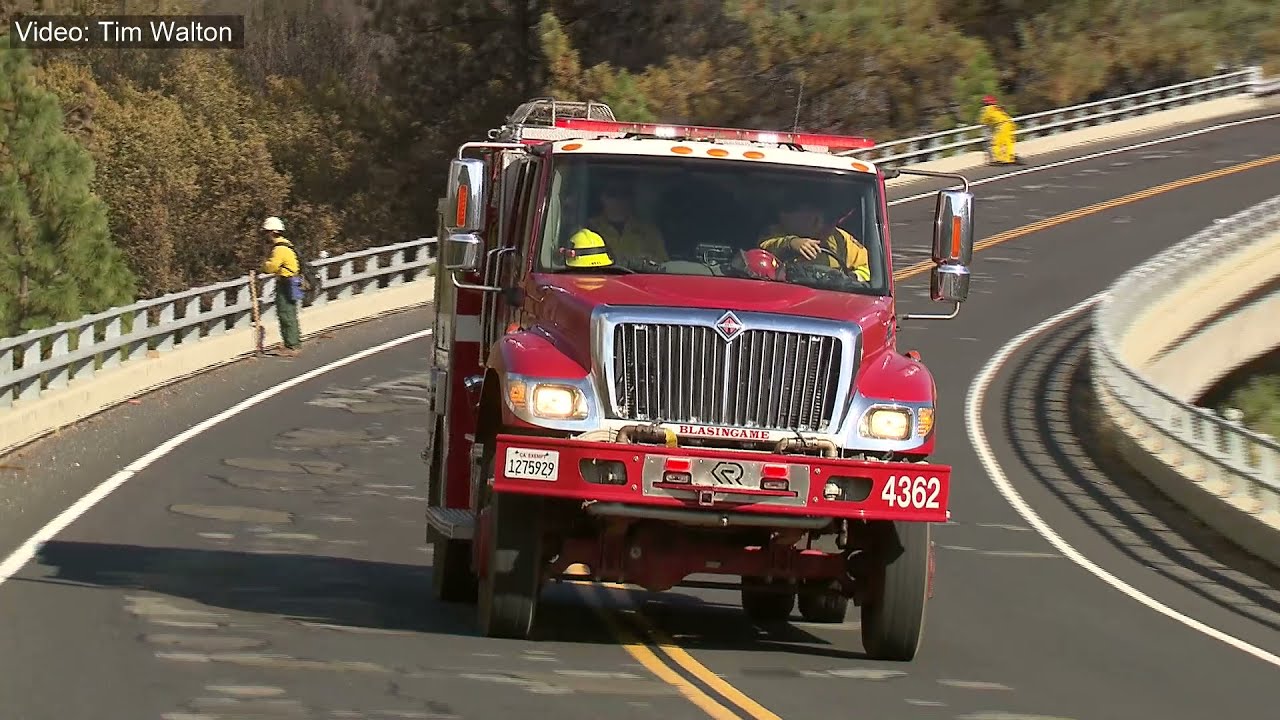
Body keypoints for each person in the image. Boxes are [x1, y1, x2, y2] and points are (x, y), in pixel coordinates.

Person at [759, 196, 871, 281]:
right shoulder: (778, 232)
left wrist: (850, 278)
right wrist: (791, 243)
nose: (826, 225)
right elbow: (762, 251)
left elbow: (869, 269)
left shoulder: (841, 240)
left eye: (830, 219)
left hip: (832, 297)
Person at [563, 179, 667, 268]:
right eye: (612, 194)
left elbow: (663, 265)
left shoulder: (649, 232)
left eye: (624, 194)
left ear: (631, 198)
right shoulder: (586, 231)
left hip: (642, 284)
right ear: (602, 198)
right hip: (597, 282)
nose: (619, 200)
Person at [260, 215, 302, 357]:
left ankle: (292, 345)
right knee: (288, 313)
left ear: (272, 232)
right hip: (289, 281)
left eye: (266, 232)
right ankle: (290, 343)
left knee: (286, 314)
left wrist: (263, 264)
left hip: (286, 282)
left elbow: (271, 267)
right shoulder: (286, 244)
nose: (264, 235)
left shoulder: (279, 249)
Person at [979, 94, 1020, 165]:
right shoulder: (997, 107)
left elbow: (984, 120)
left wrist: (985, 123)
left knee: (996, 142)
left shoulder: (987, 109)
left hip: (1002, 125)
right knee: (1008, 142)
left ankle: (999, 159)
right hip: (1009, 123)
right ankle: (1009, 158)